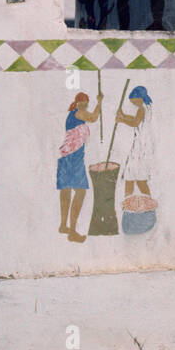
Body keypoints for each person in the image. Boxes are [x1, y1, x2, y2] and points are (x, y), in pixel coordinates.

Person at [58, 90, 103, 242]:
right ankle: (72, 232)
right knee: (80, 192)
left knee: (66, 191)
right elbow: (94, 117)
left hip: (65, 157)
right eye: (85, 104)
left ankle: (64, 225)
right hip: (74, 159)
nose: (85, 106)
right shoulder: (79, 114)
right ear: (80, 104)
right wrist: (99, 102)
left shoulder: (72, 114)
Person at [116, 85, 154, 198]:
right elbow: (135, 119)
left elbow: (135, 123)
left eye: (135, 102)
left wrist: (121, 120)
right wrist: (123, 115)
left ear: (140, 98)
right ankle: (144, 201)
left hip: (141, 147)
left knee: (132, 176)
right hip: (142, 145)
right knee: (136, 177)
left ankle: (129, 201)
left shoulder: (142, 109)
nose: (134, 104)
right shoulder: (146, 107)